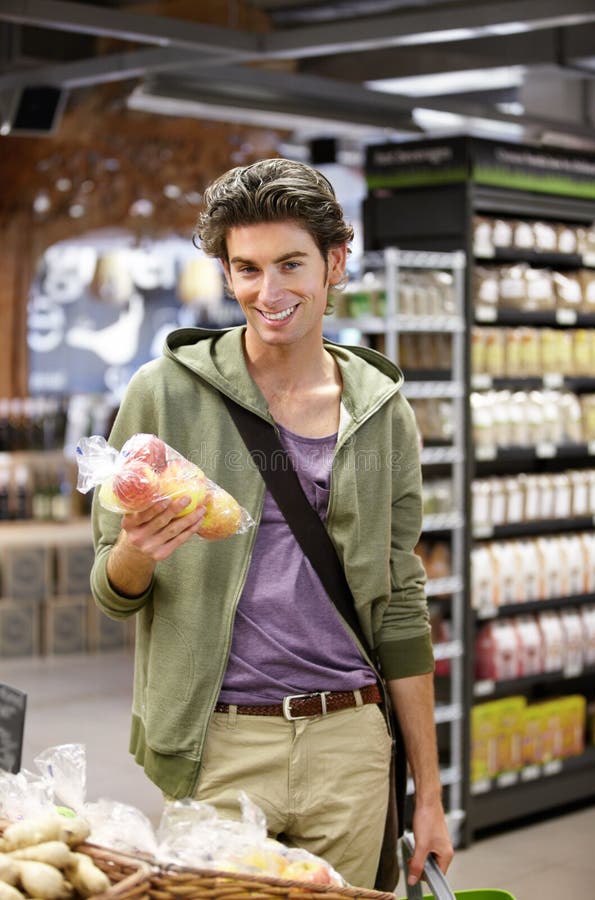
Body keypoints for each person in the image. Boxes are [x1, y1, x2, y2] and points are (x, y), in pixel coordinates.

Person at [90, 157, 453, 889]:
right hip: (219, 741)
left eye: (291, 264)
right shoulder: (164, 395)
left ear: (335, 261)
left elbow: (404, 606)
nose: (270, 291)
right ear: (226, 274)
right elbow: (111, 588)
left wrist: (432, 797)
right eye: (247, 269)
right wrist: (136, 550)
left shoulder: (384, 413)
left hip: (350, 740)